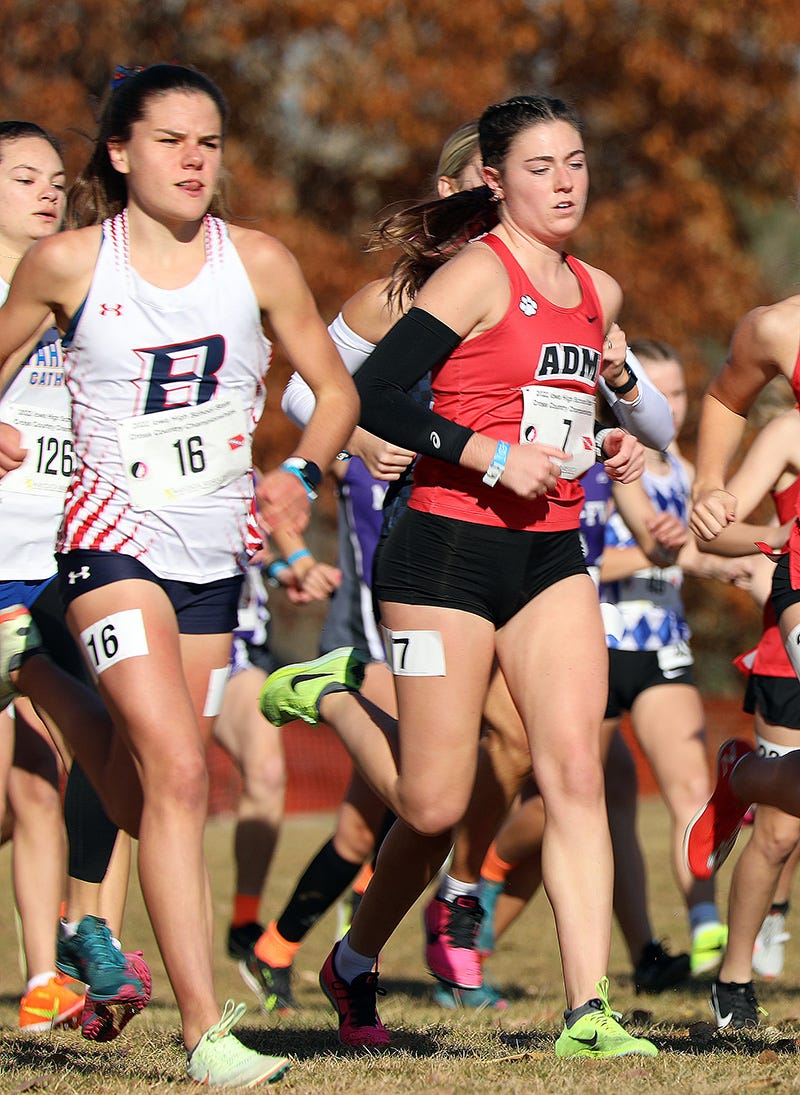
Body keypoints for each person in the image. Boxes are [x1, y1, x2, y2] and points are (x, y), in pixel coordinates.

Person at [263, 94, 659, 1058]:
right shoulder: (476, 274)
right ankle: (336, 712)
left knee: (570, 772)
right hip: (442, 549)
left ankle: (586, 1013)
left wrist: (601, 435)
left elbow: (561, 407)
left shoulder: (593, 287)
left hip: (549, 549)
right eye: (540, 167)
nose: (564, 183)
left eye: (575, 163)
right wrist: (483, 454)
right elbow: (379, 394)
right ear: (495, 179)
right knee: (434, 808)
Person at [0, 63, 358, 1087]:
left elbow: (328, 393)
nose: (195, 160)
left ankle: (31, 671)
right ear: (120, 152)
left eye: (208, 142)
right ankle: (205, 1032)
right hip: (109, 549)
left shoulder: (258, 261)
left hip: (212, 560)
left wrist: (297, 473)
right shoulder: (70, 264)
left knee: (152, 783)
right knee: (186, 774)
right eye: (170, 140)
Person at [599, 339, 752, 977]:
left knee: (691, 780)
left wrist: (741, 565)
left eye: (679, 393)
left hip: (662, 644)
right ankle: (482, 886)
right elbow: (589, 561)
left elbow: (688, 552)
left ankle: (706, 926)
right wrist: (657, 553)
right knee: (595, 806)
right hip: (593, 645)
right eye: (653, 390)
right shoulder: (603, 463)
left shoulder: (690, 477)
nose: (671, 405)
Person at [685, 403, 800, 1027]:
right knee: (780, 833)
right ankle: (735, 977)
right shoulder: (789, 430)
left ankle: (743, 777)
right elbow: (717, 532)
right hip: (791, 642)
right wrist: (778, 538)